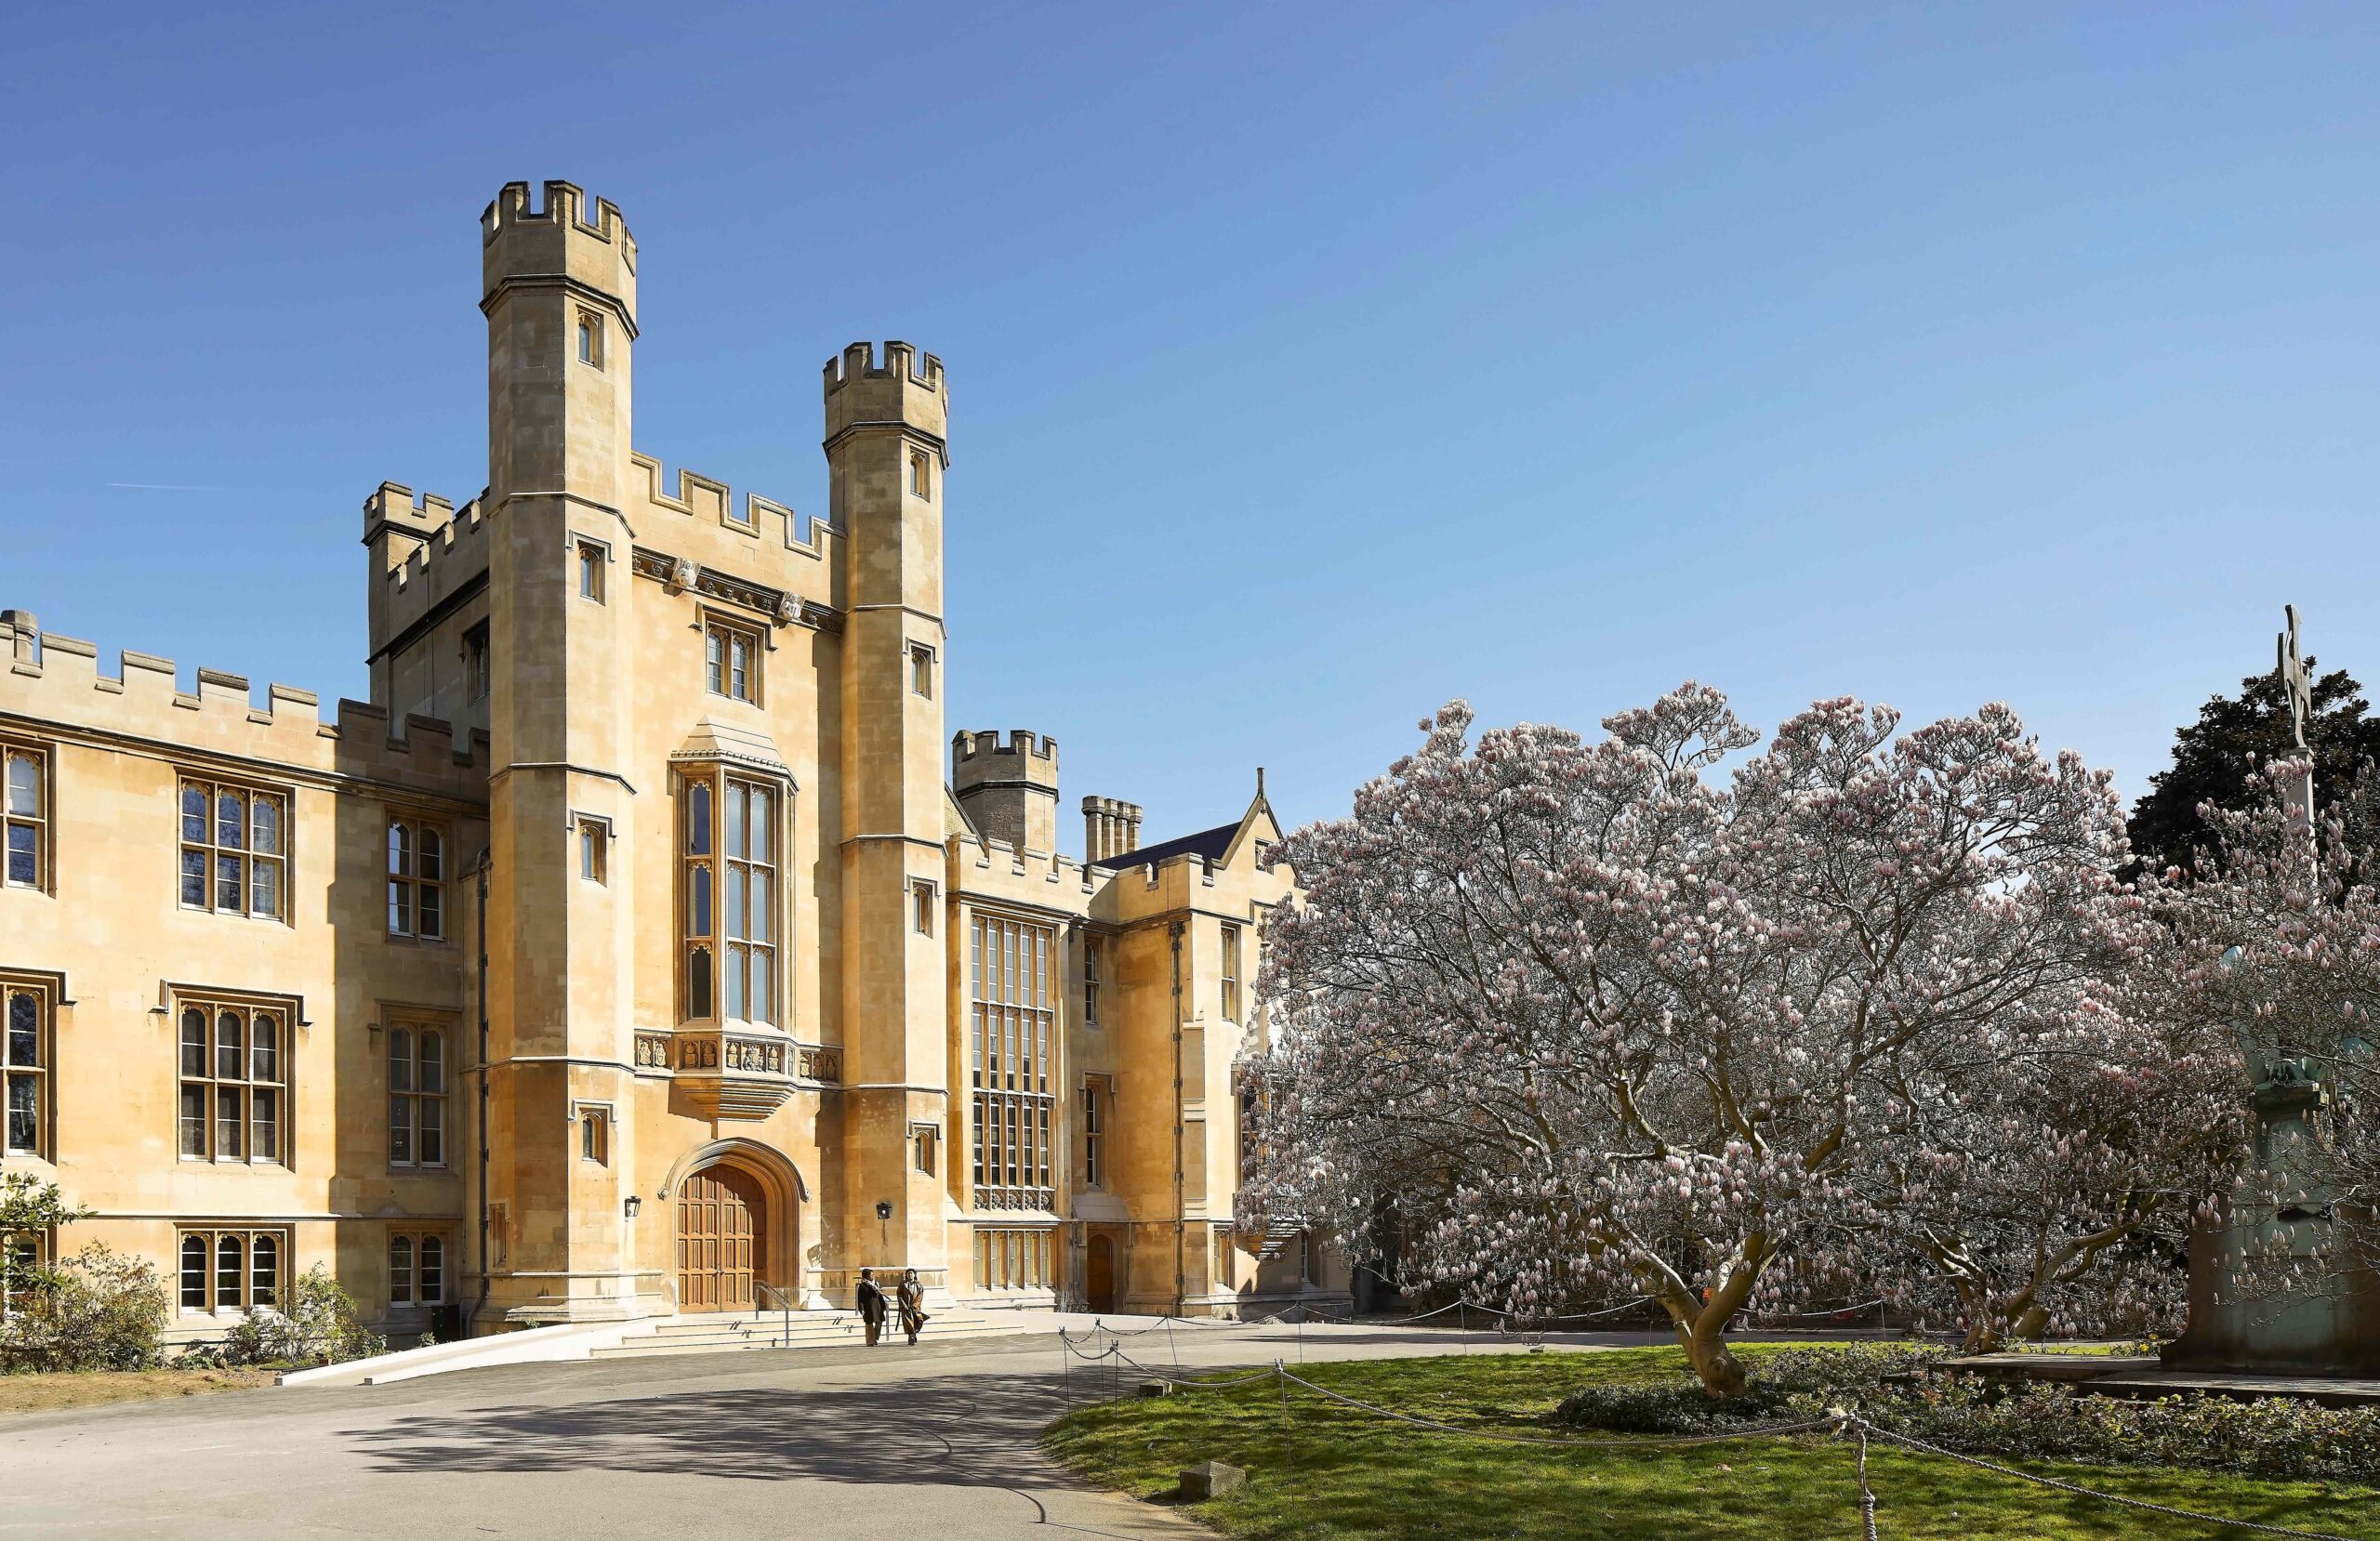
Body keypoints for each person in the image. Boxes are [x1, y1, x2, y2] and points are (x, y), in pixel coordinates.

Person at [897, 1268, 930, 1346]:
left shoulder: (919, 1285)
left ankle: (913, 1334)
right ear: (906, 1275)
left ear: (914, 1275)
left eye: (911, 1273)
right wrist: (904, 1305)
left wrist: (914, 1305)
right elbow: (899, 1295)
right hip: (906, 1308)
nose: (910, 1275)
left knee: (919, 1321)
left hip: (916, 1307)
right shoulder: (902, 1284)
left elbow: (920, 1296)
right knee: (909, 1323)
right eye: (908, 1273)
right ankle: (911, 1337)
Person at [855, 1268, 887, 1347]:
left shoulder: (876, 1284)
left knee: (879, 1323)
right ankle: (870, 1341)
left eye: (873, 1275)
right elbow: (860, 1299)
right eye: (870, 1275)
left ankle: (875, 1337)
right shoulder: (862, 1286)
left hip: (877, 1306)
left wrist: (883, 1306)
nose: (872, 1276)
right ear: (865, 1276)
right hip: (868, 1307)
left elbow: (880, 1296)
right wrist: (861, 1309)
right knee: (869, 1324)